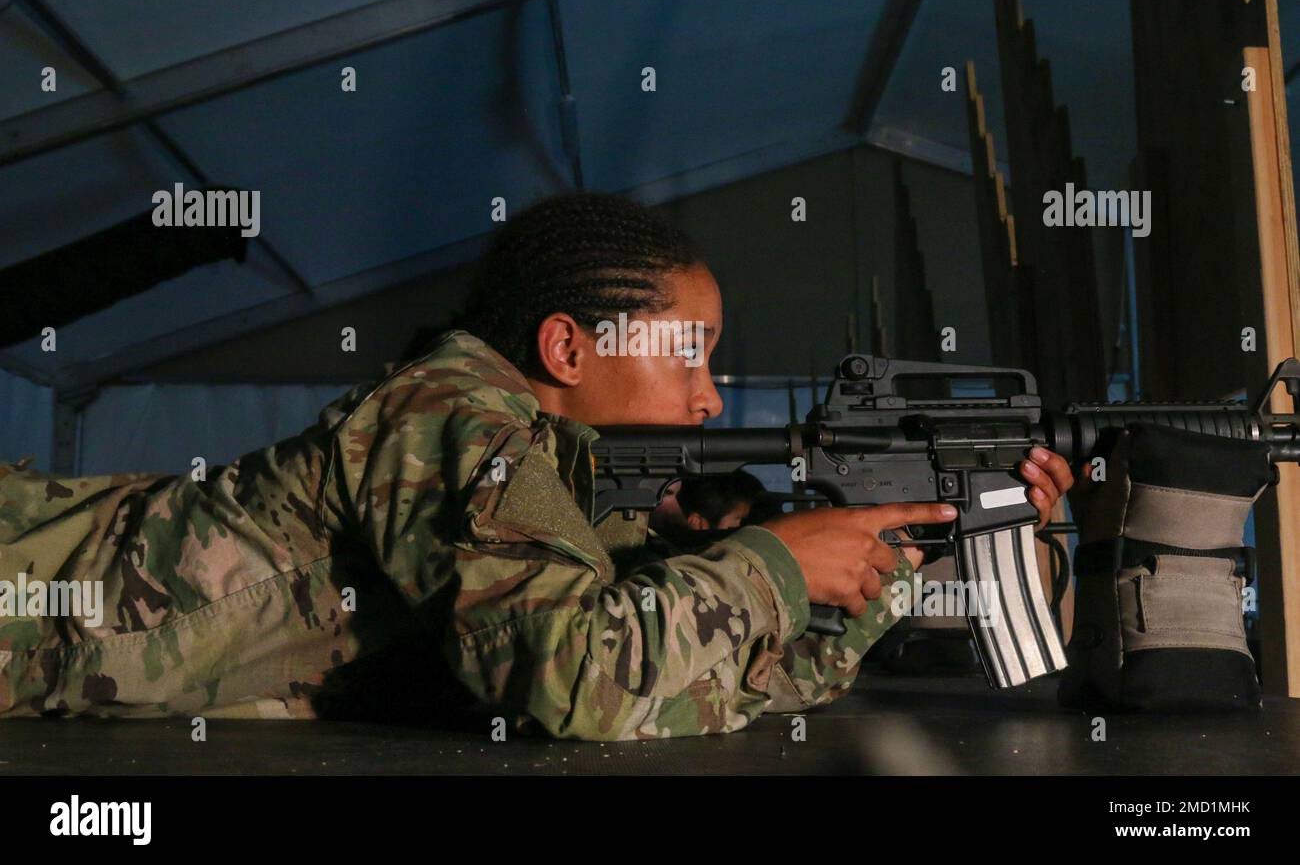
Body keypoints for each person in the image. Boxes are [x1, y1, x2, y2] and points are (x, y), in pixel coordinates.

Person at [0, 192, 1075, 738]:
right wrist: (777, 559)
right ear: (567, 348)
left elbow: (691, 681)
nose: (707, 392)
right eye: (688, 352)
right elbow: (577, 675)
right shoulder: (452, 413)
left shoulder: (560, 476)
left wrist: (880, 549)